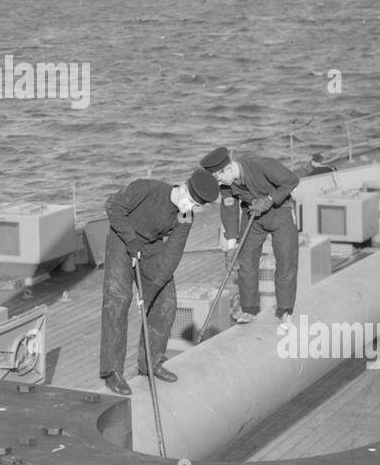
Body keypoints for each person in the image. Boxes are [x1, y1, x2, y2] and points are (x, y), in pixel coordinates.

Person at [99, 169, 221, 395]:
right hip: (121, 238)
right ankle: (112, 372)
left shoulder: (185, 215)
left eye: (197, 206)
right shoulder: (147, 188)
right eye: (191, 201)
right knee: (118, 299)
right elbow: (113, 206)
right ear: (183, 188)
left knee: (166, 303)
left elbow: (171, 255)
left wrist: (150, 291)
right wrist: (130, 240)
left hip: (152, 246)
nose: (190, 208)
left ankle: (150, 362)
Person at [200, 145, 300, 325]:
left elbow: (292, 180)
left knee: (286, 262)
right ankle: (249, 310)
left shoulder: (262, 165)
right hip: (252, 216)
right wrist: (232, 246)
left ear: (229, 168)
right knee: (245, 262)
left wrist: (269, 200)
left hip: (281, 214)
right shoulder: (226, 183)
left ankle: (285, 309)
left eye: (220, 177)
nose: (220, 183)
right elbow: (229, 208)